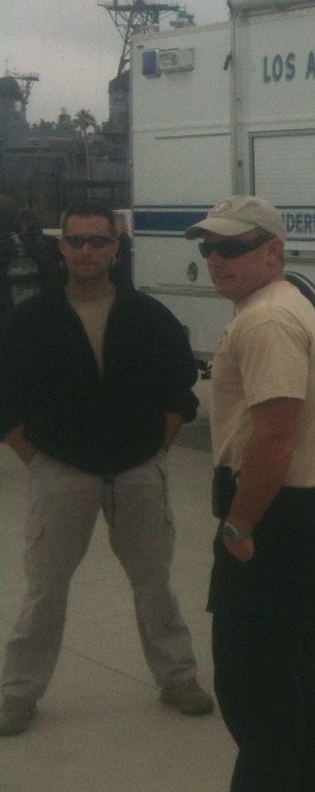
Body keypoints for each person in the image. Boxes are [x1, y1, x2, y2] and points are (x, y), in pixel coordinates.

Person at [174, 196, 315, 792]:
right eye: (210, 248)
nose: (217, 259)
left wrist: (240, 526)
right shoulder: (283, 304)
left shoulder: (270, 320)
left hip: (273, 516)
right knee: (298, 676)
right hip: (303, 511)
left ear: (273, 251)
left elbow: (275, 438)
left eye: (234, 246)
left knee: (255, 688)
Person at [0, 202, 210, 737]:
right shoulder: (30, 321)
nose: (87, 252)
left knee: (154, 583)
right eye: (77, 241)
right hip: (62, 473)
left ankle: (177, 677)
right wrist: (36, 459)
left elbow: (180, 389)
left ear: (116, 249)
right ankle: (18, 693)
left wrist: (156, 447)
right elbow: (6, 397)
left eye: (98, 242)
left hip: (138, 471)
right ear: (62, 246)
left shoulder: (149, 316)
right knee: (45, 589)